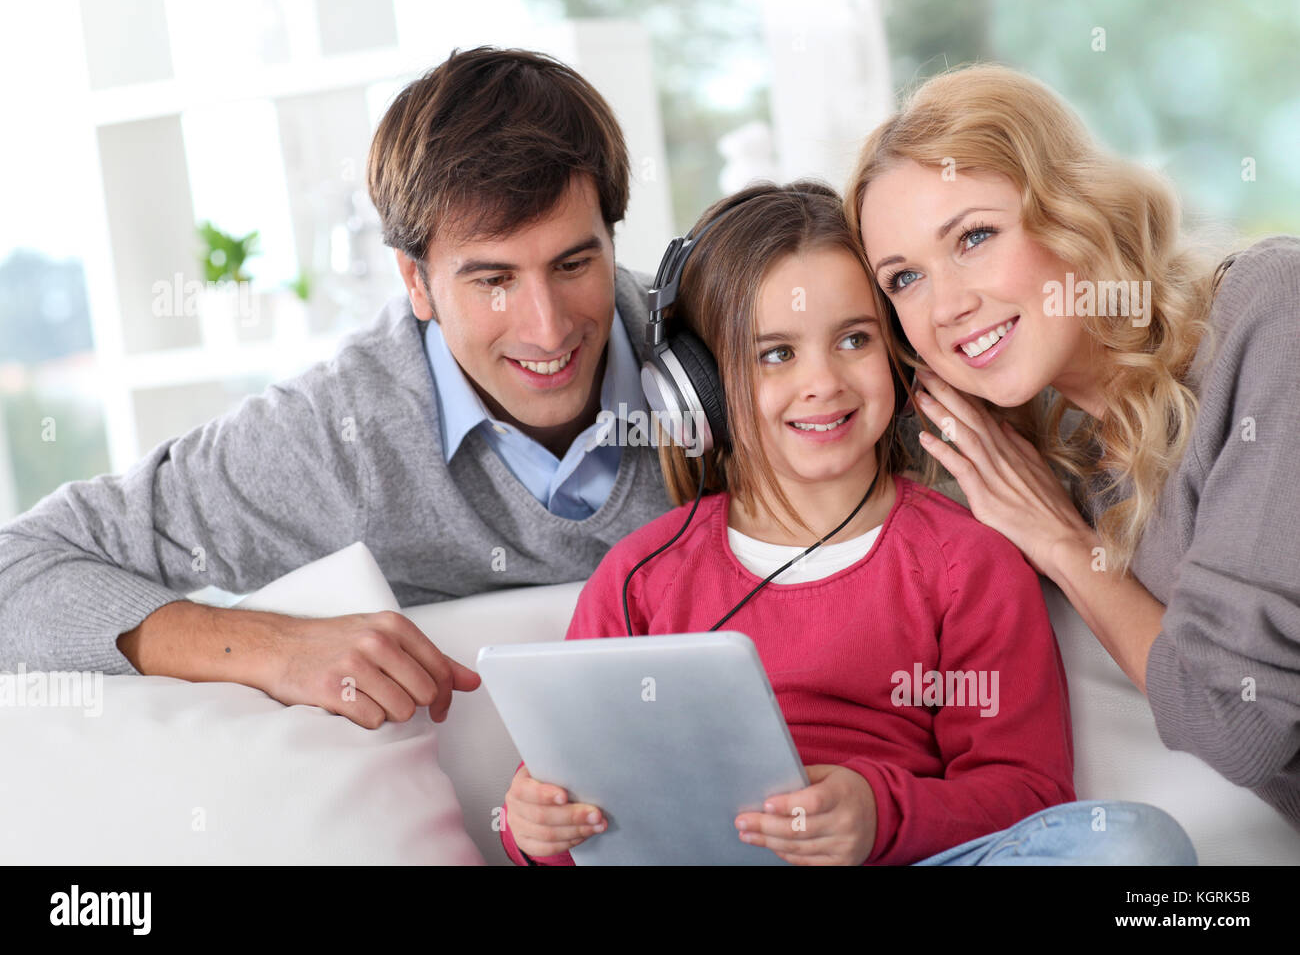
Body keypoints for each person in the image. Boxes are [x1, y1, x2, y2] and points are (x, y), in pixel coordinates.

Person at [498, 182, 1196, 865]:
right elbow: (575, 805)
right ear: (699, 389)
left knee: (1133, 844)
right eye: (776, 353)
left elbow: (1027, 793)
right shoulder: (640, 578)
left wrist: (877, 814)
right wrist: (533, 826)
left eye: (854, 340)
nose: (823, 382)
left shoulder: (965, 561)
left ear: (895, 352)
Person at [0, 46, 674, 730]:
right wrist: (272, 649)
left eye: (571, 263)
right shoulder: (338, 435)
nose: (547, 327)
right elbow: (15, 573)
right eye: (493, 281)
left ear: (611, 240)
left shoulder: (725, 352)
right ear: (416, 281)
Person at [847, 62, 1300, 829]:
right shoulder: (1060, 464)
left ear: (1073, 212)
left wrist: (1061, 544)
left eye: (975, 237)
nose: (948, 305)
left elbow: (1238, 724)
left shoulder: (1270, 315)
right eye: (904, 280)